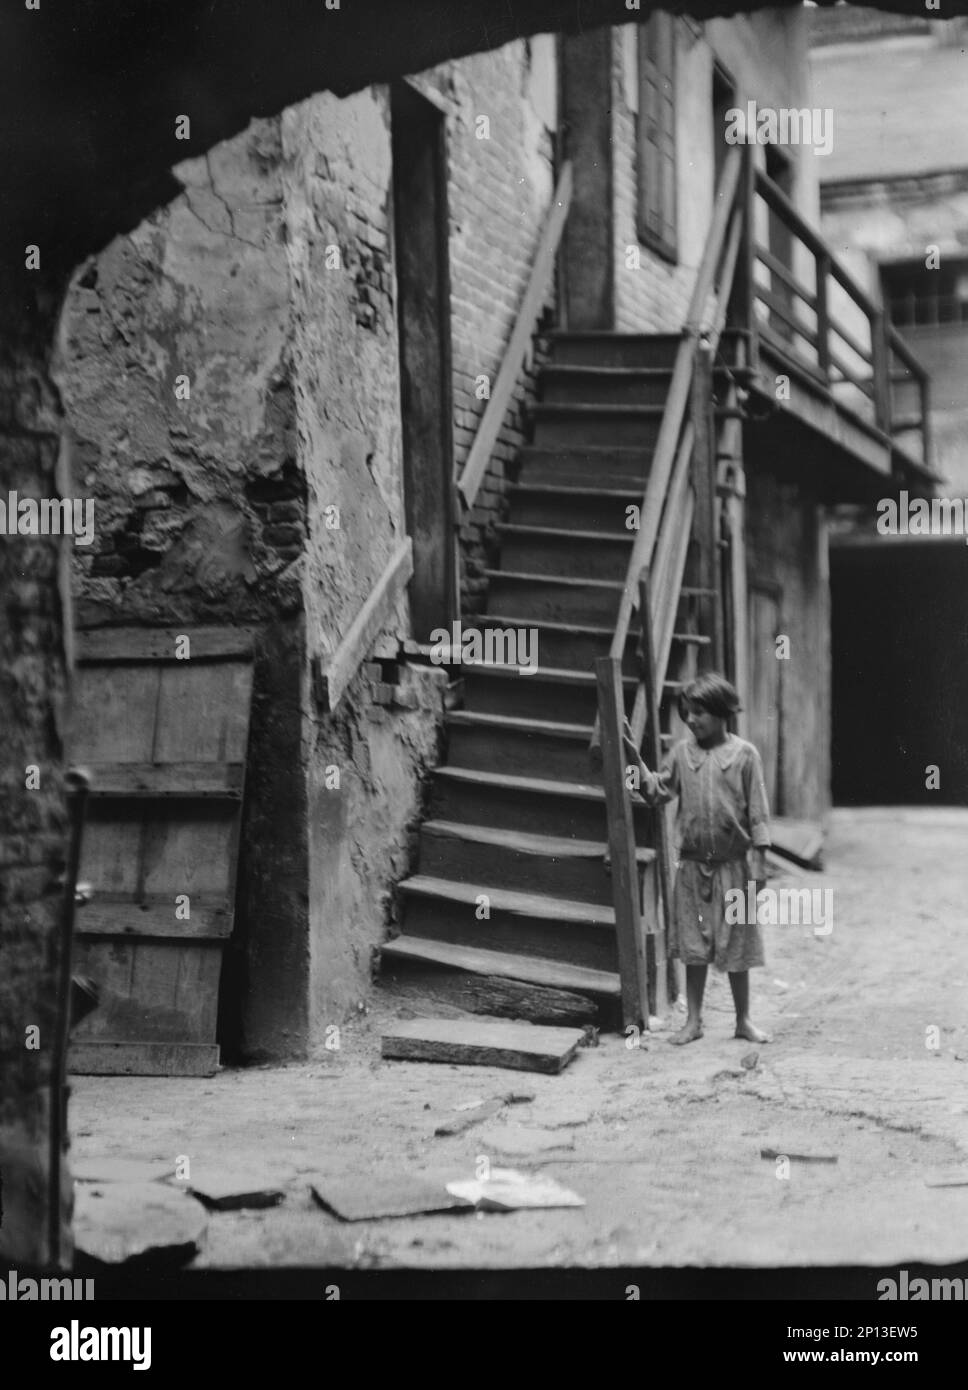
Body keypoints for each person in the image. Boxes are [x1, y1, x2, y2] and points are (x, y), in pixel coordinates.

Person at [621, 672, 771, 1046]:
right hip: (691, 866)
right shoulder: (681, 754)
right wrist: (634, 760)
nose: (691, 720)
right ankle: (694, 1020)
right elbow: (657, 792)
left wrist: (760, 862)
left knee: (738, 944)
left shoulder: (744, 755)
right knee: (693, 944)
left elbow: (758, 814)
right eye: (687, 713)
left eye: (699, 713)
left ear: (722, 713)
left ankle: (743, 1020)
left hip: (734, 866)